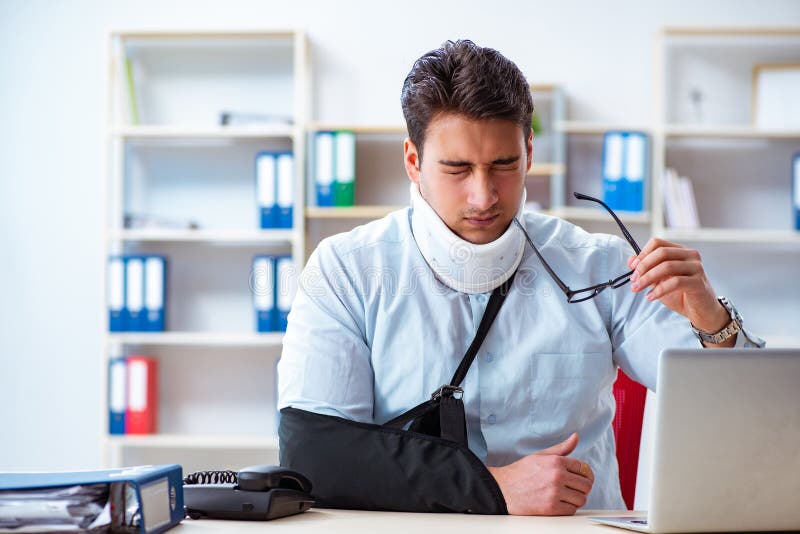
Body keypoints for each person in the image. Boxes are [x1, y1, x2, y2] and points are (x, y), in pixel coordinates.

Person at [277, 40, 764, 515]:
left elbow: (746, 417)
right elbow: (315, 455)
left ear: (529, 151)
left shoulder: (601, 265)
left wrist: (711, 318)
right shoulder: (344, 269)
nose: (483, 195)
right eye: (457, 169)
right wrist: (489, 487)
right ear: (413, 161)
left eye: (504, 165)